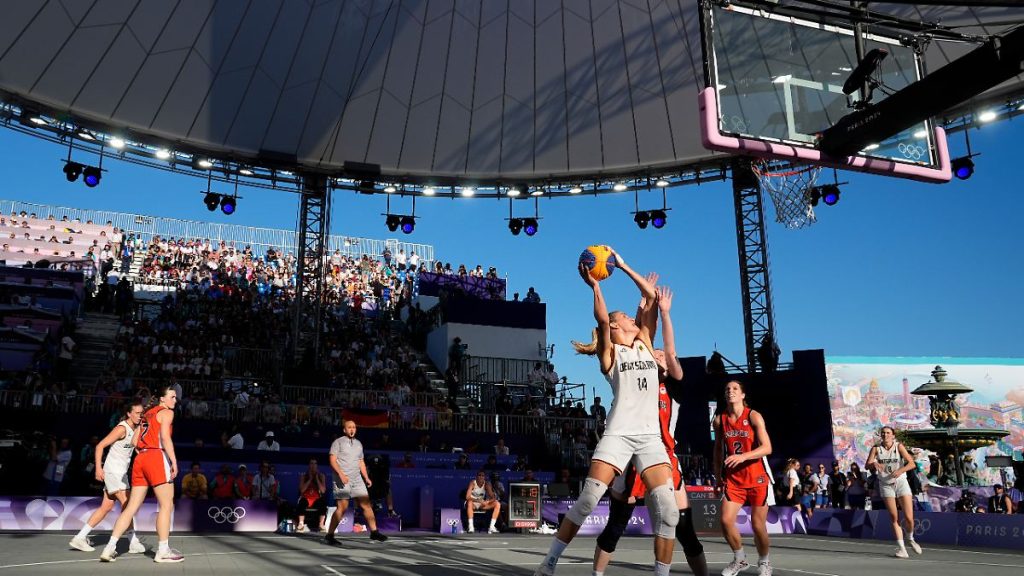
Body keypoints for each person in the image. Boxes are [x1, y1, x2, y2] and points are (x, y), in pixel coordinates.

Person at [535, 248, 677, 576]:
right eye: (624, 316)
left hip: (649, 437)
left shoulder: (644, 340)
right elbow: (601, 318)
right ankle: (549, 563)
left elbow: (651, 296)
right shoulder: (610, 354)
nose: (631, 316)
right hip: (618, 434)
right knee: (587, 501)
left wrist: (623, 264)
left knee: (668, 511)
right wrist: (596, 286)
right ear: (614, 326)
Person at [592, 284, 708, 576]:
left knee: (683, 529)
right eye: (651, 353)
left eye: (658, 356)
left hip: (664, 457)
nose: (654, 354)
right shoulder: (630, 374)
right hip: (632, 454)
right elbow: (636, 338)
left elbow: (663, 345)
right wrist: (643, 308)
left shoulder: (673, 388)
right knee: (615, 527)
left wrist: (662, 313)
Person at [99, 385, 184, 563]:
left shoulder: (147, 413)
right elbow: (166, 438)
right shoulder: (167, 412)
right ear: (162, 398)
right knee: (166, 505)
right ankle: (162, 550)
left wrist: (144, 455)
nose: (175, 400)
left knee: (130, 508)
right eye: (172, 396)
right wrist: (173, 461)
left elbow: (134, 441)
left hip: (141, 459)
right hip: (155, 455)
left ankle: (109, 548)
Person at [68, 400, 146, 554]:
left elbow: (135, 447)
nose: (139, 416)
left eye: (141, 413)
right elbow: (100, 446)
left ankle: (80, 537)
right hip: (113, 472)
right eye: (136, 413)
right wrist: (98, 468)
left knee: (106, 507)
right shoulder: (121, 428)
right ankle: (132, 541)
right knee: (128, 506)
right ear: (129, 414)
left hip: (121, 474)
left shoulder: (135, 428)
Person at [714, 380, 774, 576]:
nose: (730, 391)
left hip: (758, 477)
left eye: (735, 389)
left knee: (757, 525)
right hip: (734, 480)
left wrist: (743, 456)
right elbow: (717, 450)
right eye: (727, 389)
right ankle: (740, 559)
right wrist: (717, 476)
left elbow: (767, 447)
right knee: (725, 520)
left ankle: (764, 562)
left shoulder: (753, 416)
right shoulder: (719, 420)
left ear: (742, 395)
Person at [325, 420, 388, 545]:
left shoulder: (359, 444)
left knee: (366, 504)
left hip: (357, 479)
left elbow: (361, 462)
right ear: (344, 430)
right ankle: (329, 535)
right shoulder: (338, 442)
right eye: (349, 427)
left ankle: (374, 532)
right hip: (341, 478)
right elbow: (332, 460)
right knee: (342, 508)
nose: (352, 429)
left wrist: (366, 478)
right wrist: (341, 474)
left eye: (354, 427)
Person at [866, 426, 922, 558]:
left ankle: (910, 538)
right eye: (883, 433)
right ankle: (902, 549)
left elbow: (911, 463)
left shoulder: (899, 447)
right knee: (894, 517)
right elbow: (867, 465)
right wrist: (873, 464)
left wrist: (900, 471)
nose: (885, 435)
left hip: (901, 482)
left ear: (893, 435)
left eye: (888, 433)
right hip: (885, 484)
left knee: (909, 517)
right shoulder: (876, 449)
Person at [296, 458, 327, 533]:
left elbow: (323, 490)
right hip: (306, 498)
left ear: (317, 466)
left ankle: (321, 524)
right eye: (311, 463)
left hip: (316, 499)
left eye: (315, 464)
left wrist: (316, 479)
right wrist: (310, 479)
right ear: (309, 465)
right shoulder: (304, 476)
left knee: (322, 502)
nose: (313, 465)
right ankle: (301, 524)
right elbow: (302, 490)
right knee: (301, 503)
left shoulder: (321, 476)